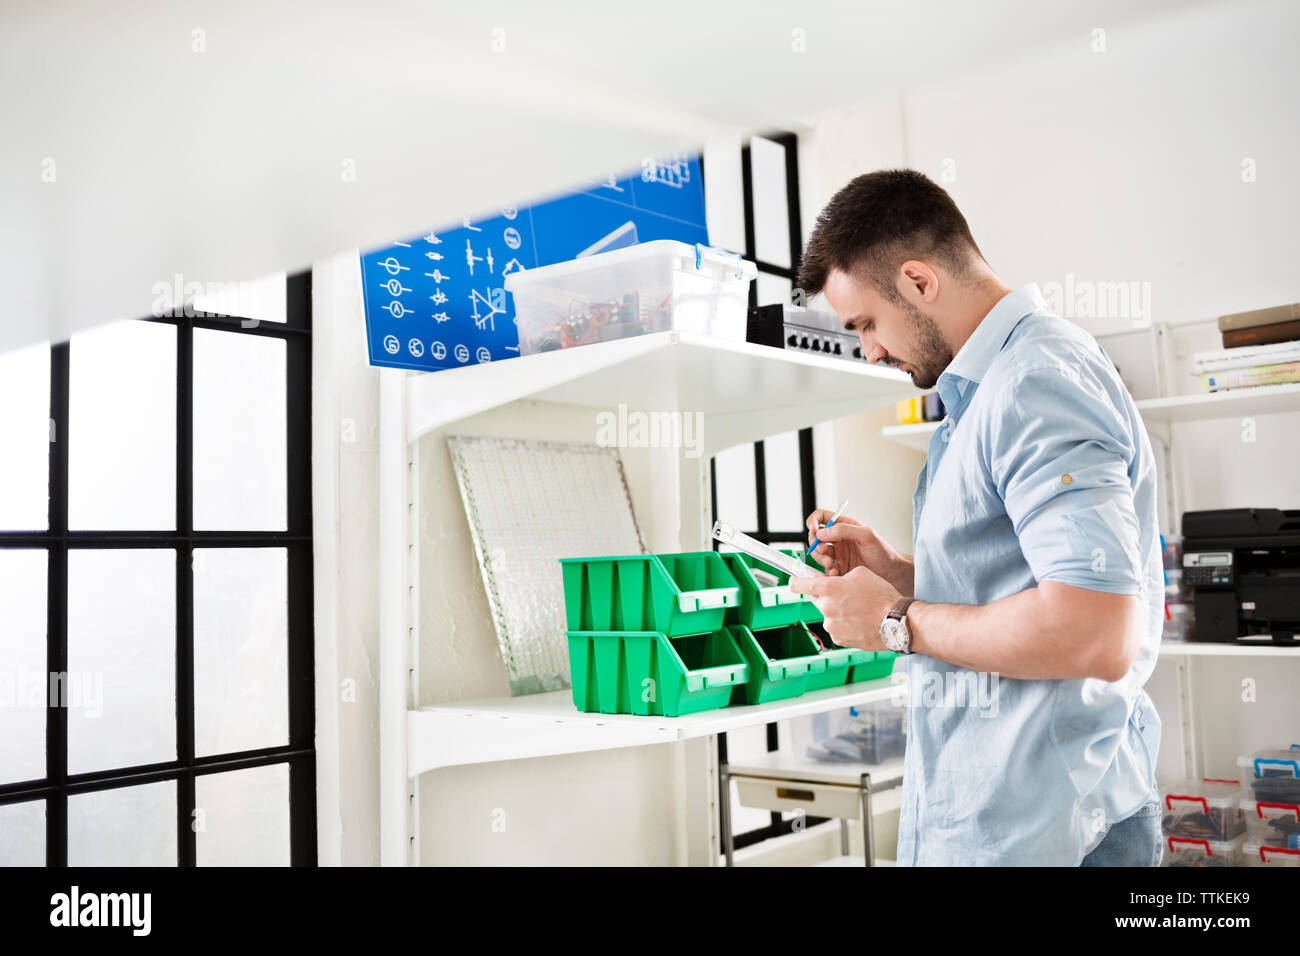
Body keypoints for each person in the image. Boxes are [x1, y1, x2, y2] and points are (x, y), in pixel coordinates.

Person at [787, 169, 1164, 866]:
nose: (868, 348)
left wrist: (895, 619)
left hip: (1052, 831)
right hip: (1003, 820)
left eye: (866, 322)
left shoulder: (1035, 380)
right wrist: (896, 571)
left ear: (919, 281)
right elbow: (1013, 583)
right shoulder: (980, 392)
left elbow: (1095, 631)